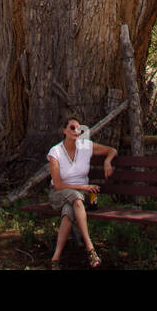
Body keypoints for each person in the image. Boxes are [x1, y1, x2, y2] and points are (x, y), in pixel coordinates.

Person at [47, 114, 117, 268]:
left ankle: (55, 258)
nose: (75, 130)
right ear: (64, 131)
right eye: (72, 127)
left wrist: (107, 161)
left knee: (69, 210)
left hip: (78, 196)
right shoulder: (55, 152)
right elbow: (58, 185)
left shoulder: (86, 147)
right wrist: (83, 187)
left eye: (78, 128)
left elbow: (112, 150)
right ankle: (90, 248)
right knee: (76, 198)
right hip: (59, 193)